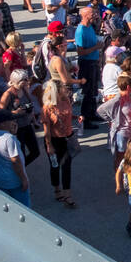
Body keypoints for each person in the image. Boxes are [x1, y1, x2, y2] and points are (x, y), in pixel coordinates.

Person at [42, 77, 78, 207]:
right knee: (55, 166)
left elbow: (67, 115)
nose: (66, 89)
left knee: (67, 166)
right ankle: (57, 189)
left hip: (67, 138)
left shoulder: (66, 100)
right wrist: (49, 145)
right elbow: (46, 130)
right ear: (56, 91)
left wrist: (76, 117)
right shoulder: (48, 108)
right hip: (54, 140)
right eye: (63, 88)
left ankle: (67, 195)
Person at [73, 5, 103, 130]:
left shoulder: (89, 26)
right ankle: (85, 119)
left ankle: (92, 113)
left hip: (93, 62)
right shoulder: (80, 31)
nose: (94, 15)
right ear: (85, 16)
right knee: (88, 92)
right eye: (92, 14)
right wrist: (96, 47)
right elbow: (80, 52)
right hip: (86, 64)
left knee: (94, 90)